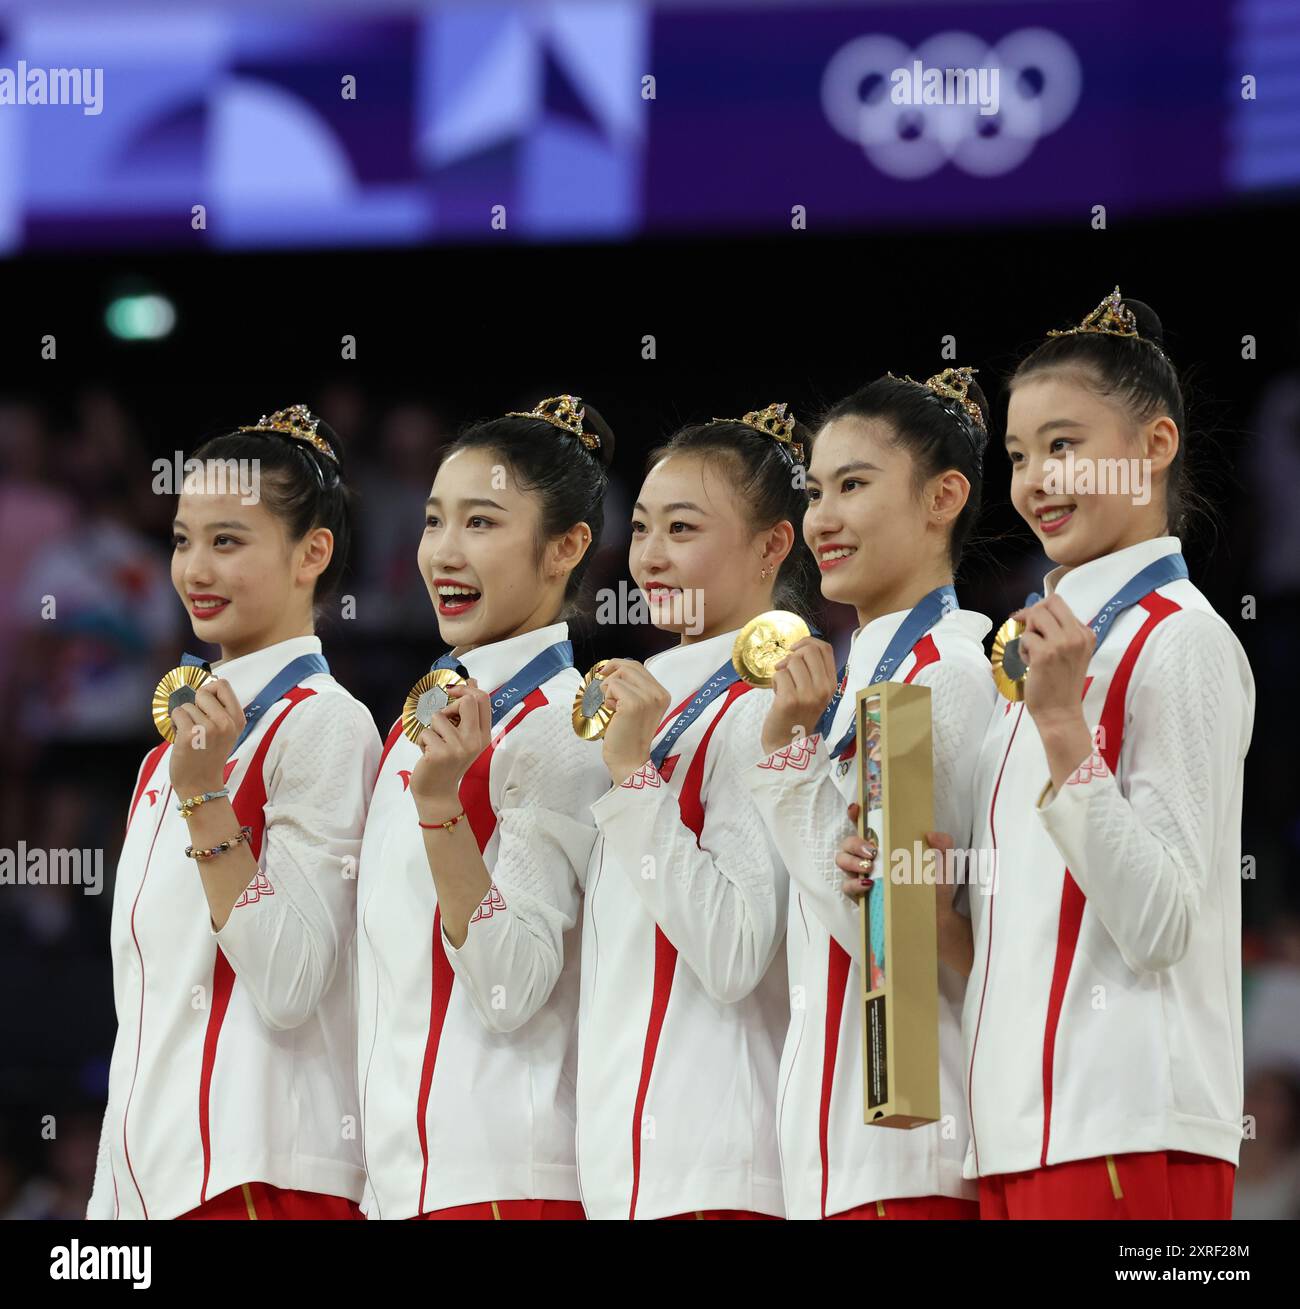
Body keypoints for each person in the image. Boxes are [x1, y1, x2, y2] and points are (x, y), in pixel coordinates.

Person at [957, 289, 1254, 1219]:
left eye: (1065, 444)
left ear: (1156, 447)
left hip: (1127, 1129)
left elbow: (1163, 920)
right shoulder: (1045, 652)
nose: (1036, 479)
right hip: (1014, 1132)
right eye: (1017, 455)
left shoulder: (1184, 640)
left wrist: (1061, 732)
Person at [88, 405, 381, 1219]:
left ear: (310, 554)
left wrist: (207, 798)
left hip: (261, 1176)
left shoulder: (326, 722)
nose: (194, 569)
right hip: (148, 1180)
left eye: (227, 540)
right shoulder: (168, 754)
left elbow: (290, 979)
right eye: (183, 539)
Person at [357, 395, 612, 1220]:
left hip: (506, 1183)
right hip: (402, 1184)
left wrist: (440, 813)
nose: (444, 553)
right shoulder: (423, 723)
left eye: (482, 522)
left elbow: (511, 987)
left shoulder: (562, 729)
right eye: (435, 521)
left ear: (566, 547)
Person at [751, 368, 994, 1218]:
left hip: (909, 1151)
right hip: (829, 1158)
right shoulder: (853, 683)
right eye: (815, 491)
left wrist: (783, 758)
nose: (822, 518)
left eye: (854, 485)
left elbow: (909, 937)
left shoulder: (949, 675)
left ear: (943, 498)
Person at [575, 403, 814, 1219]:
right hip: (626, 1167)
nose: (650, 556)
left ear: (773, 545)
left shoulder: (766, 707)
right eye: (641, 528)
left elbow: (737, 948)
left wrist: (635, 778)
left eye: (683, 529)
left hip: (714, 1166)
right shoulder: (662, 696)